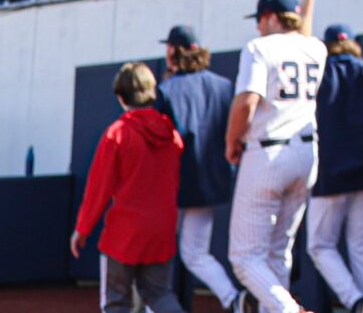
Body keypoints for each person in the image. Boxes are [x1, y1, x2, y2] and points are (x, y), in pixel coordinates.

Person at [226, 0, 328, 313]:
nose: (257, 26)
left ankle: (288, 311)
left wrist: (232, 141)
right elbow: (303, 37)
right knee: (277, 252)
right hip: (306, 153)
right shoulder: (316, 47)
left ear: (271, 17)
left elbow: (246, 103)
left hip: (268, 152)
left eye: (259, 19)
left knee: (243, 258)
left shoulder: (260, 47)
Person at [72, 62, 185, 313]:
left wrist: (82, 228)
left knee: (116, 302)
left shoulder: (118, 134)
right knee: (159, 294)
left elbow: (98, 187)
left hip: (124, 233)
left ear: (121, 97)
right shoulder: (172, 135)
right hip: (161, 230)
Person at [157, 25, 240, 311]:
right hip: (210, 182)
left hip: (176, 184)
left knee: (165, 250)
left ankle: (155, 306)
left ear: (174, 51)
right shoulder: (224, 86)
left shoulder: (165, 91)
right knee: (195, 253)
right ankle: (233, 298)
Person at [309, 22, 363, 313]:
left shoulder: (320, 72)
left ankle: (355, 300)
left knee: (319, 245)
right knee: (362, 248)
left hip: (330, 171)